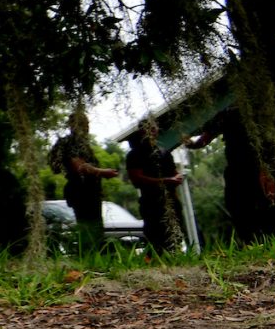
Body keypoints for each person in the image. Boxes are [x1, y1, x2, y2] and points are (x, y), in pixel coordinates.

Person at [47, 105, 117, 248]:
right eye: (83, 124)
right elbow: (80, 166)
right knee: (89, 228)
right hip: (83, 191)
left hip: (85, 191)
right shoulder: (73, 142)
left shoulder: (79, 143)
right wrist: (104, 172)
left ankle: (92, 255)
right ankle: (89, 257)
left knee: (92, 226)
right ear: (73, 125)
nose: (86, 127)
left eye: (87, 124)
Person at [125, 119, 185, 253]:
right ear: (141, 131)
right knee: (156, 239)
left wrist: (177, 178)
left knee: (175, 237)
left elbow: (174, 174)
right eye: (147, 129)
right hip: (151, 203)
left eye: (153, 128)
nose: (151, 131)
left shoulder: (164, 152)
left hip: (171, 201)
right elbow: (137, 179)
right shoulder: (134, 154)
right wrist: (165, 181)